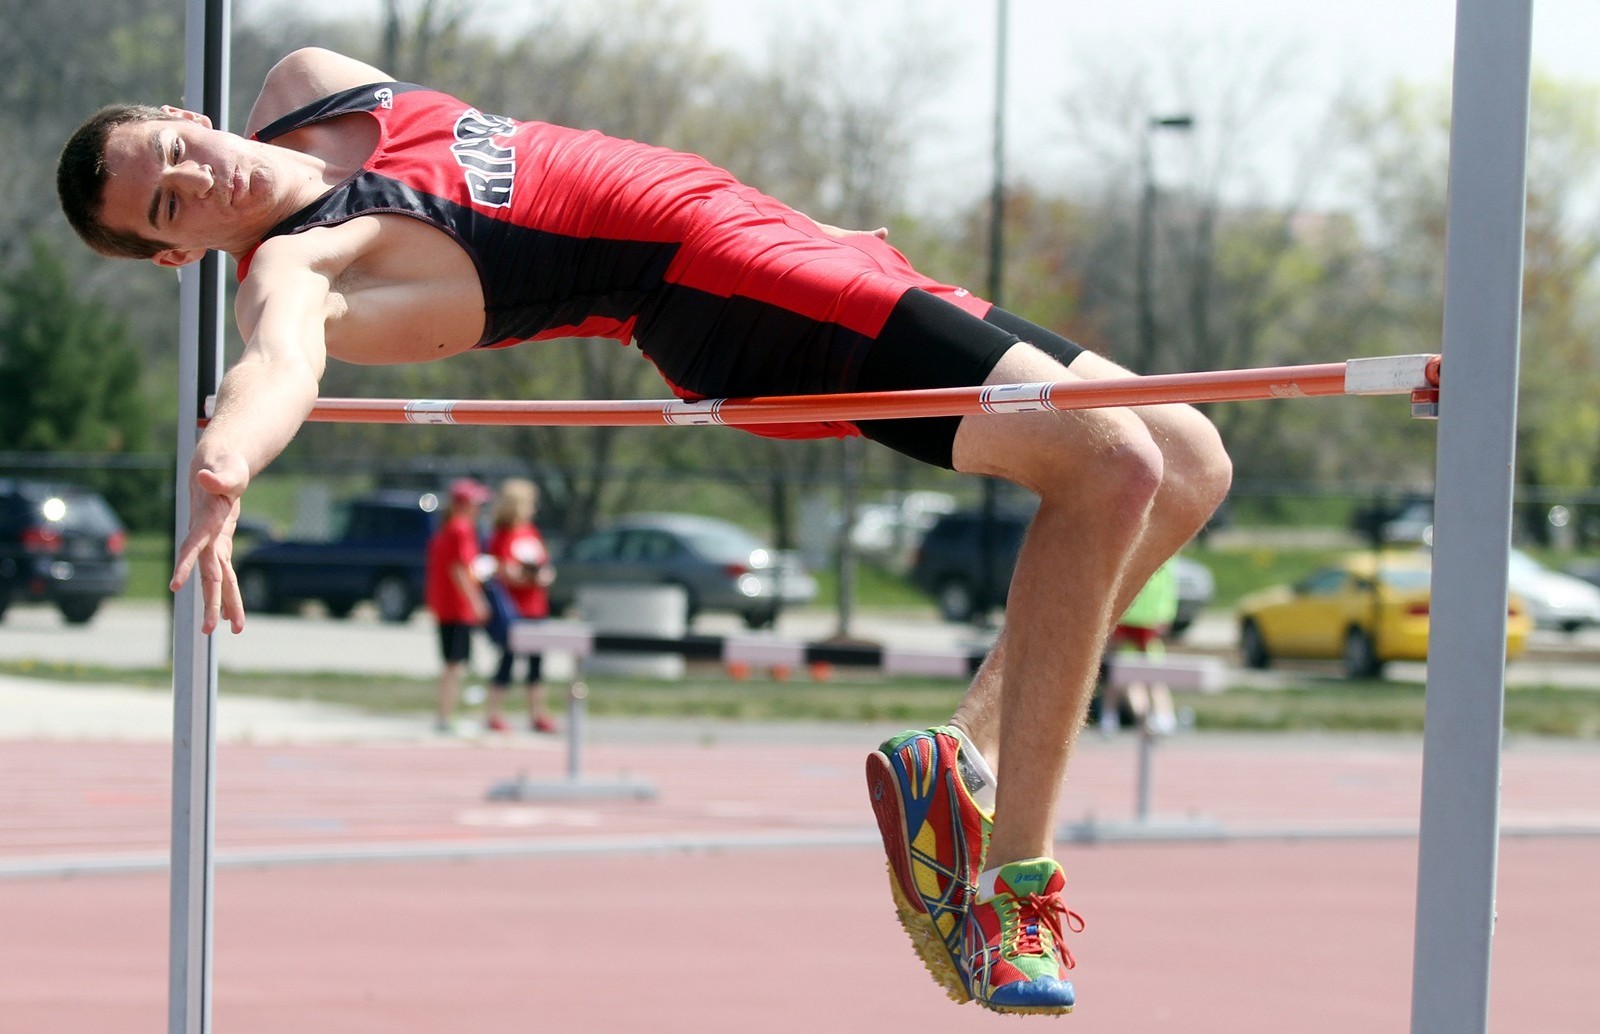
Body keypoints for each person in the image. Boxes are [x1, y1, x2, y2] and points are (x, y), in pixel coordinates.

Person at [57, 47, 1231, 1014]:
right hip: (730, 289)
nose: (195, 181)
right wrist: (224, 463)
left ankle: (958, 756)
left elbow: (281, 105)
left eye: (174, 151)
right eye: (169, 208)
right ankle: (1012, 884)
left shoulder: (311, 84)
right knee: (1109, 463)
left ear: (185, 114)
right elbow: (280, 361)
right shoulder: (308, 266)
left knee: (1185, 460)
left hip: (772, 231)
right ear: (176, 256)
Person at [483, 477, 558, 734]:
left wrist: (542, 575)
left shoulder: (531, 532)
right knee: (508, 660)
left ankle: (538, 713)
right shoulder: (501, 536)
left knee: (537, 663)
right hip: (514, 610)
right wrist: (527, 576)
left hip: (536, 608)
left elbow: (545, 566)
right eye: (528, 504)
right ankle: (493, 713)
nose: (532, 509)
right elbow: (503, 572)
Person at [425, 477, 491, 733]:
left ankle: (447, 714)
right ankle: (445, 716)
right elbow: (460, 570)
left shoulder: (448, 528)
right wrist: (477, 602)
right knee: (454, 665)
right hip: (456, 607)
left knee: (453, 664)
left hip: (447, 606)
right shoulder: (460, 528)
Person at [1098, 556, 1180, 736]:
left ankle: (1163, 715)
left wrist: (1166, 615)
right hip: (1126, 618)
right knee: (1121, 670)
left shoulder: (1164, 555)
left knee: (1152, 668)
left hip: (1148, 620)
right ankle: (1113, 715)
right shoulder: (1128, 552)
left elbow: (1168, 587)